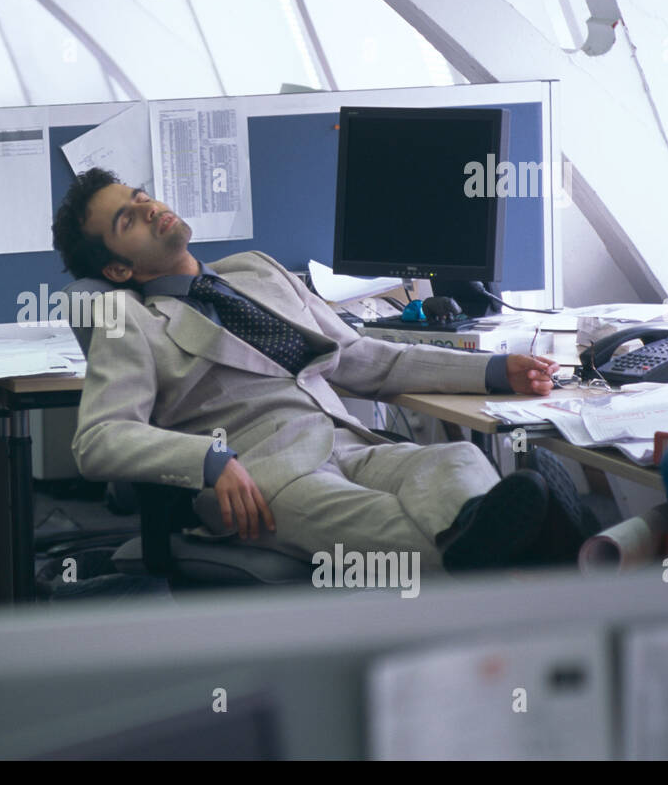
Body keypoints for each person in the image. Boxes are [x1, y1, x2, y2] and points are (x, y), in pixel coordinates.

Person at [51, 168, 584, 573]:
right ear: (119, 269)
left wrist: (492, 371)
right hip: (265, 481)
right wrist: (210, 459)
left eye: (141, 197)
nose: (147, 209)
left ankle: (505, 545)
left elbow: (356, 357)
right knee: (399, 526)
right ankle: (544, 549)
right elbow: (98, 439)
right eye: (127, 219)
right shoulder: (129, 319)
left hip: (347, 443)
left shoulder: (256, 270)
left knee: (454, 459)